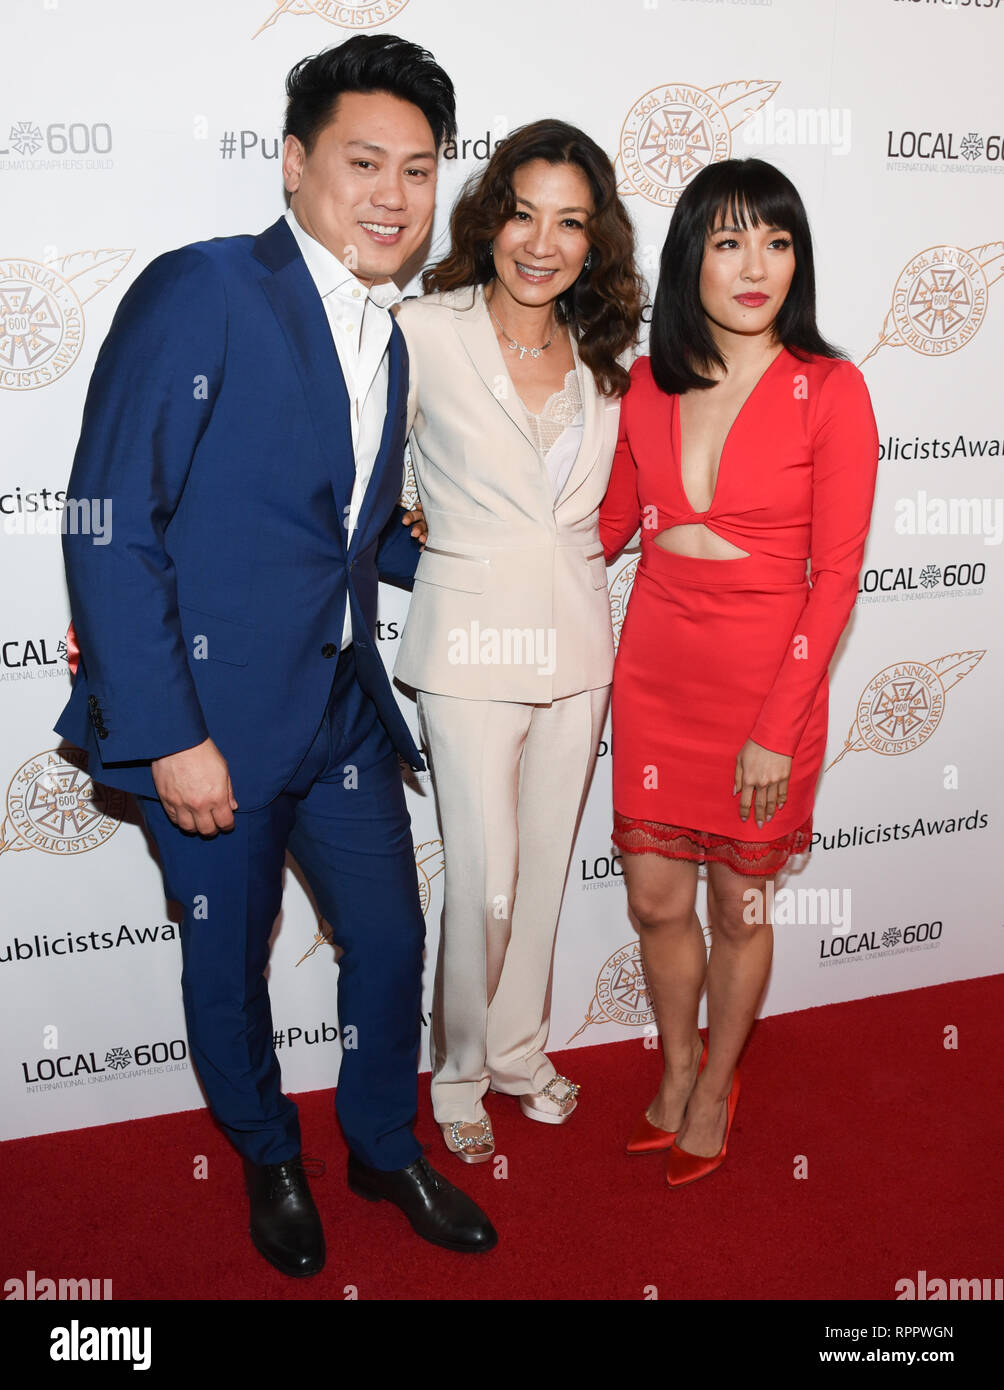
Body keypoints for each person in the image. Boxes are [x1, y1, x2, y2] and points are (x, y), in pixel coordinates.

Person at [55, 34, 497, 1273]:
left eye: (417, 170)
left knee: (392, 941)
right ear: (295, 162)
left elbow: (335, 529)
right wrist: (167, 732)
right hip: (212, 720)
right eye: (363, 162)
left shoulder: (389, 335)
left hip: (341, 709)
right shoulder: (203, 289)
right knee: (227, 958)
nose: (392, 197)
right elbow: (109, 518)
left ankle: (378, 1140)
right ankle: (265, 1153)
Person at [599, 158, 878, 1186]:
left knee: (737, 908)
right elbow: (608, 530)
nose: (754, 264)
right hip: (656, 677)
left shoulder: (829, 388)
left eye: (775, 240)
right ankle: (673, 1067)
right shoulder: (644, 381)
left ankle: (718, 1083)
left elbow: (837, 576)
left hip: (770, 688)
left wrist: (776, 724)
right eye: (727, 241)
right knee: (655, 902)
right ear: (691, 259)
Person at [393, 120, 643, 1162]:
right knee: (486, 882)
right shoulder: (422, 329)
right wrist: (408, 507)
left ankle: (516, 1050)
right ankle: (456, 1068)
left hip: (577, 646)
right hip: (465, 649)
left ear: (595, 242)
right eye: (523, 213)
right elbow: (357, 473)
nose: (541, 242)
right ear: (491, 216)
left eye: (569, 222)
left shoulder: (602, 361)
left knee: (540, 875)